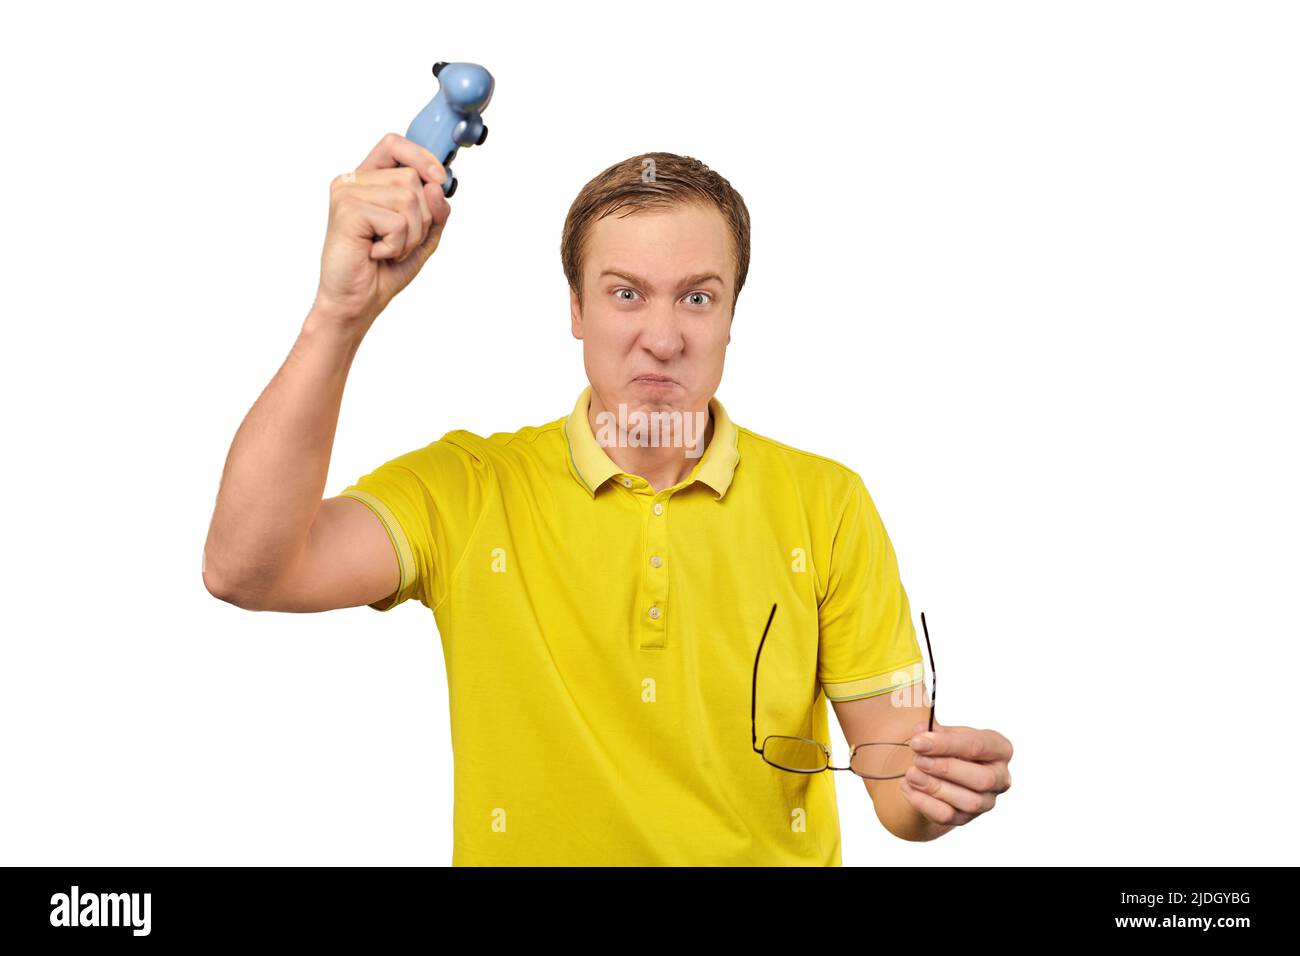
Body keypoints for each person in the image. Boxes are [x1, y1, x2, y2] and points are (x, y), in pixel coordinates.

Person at [202, 134, 1014, 866]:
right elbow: (249, 571)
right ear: (576, 310)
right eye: (627, 293)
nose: (663, 337)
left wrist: (939, 791)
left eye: (697, 297)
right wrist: (339, 316)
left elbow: (895, 784)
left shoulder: (827, 502)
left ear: (733, 314)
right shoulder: (469, 489)